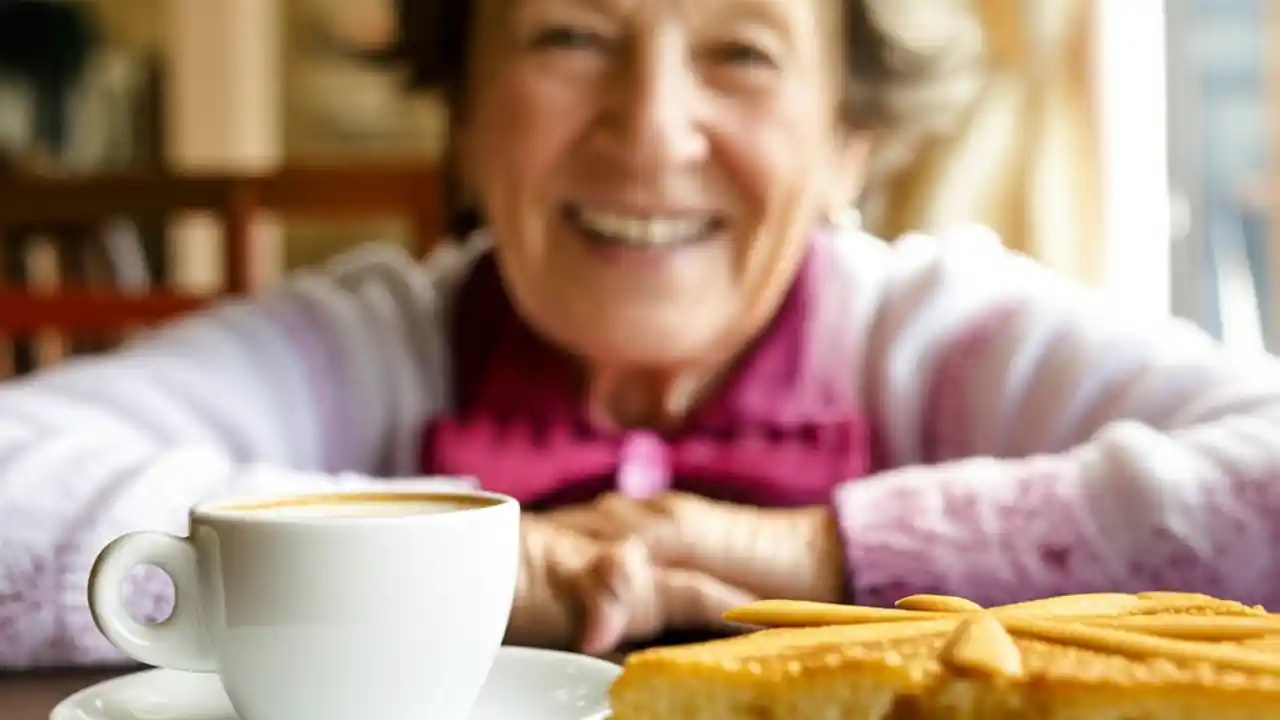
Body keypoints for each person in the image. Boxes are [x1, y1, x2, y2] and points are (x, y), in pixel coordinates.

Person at [3, 0, 1280, 670]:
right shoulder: (370, 341)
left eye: (742, 50)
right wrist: (503, 567)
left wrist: (814, 552)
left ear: (852, 135)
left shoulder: (936, 335)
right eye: (569, 35)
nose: (650, 128)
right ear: (463, 112)